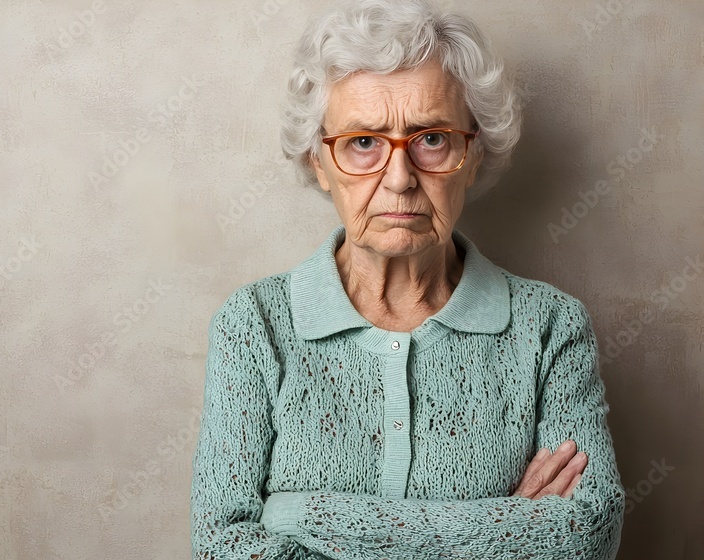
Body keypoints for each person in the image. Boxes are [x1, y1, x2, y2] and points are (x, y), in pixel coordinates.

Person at [189, 0, 625, 558]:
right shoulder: (253, 324)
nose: (399, 178)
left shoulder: (551, 327)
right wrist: (508, 527)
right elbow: (221, 546)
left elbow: (588, 535)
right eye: (363, 142)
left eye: (432, 138)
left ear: (474, 152)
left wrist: (303, 515)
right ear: (317, 161)